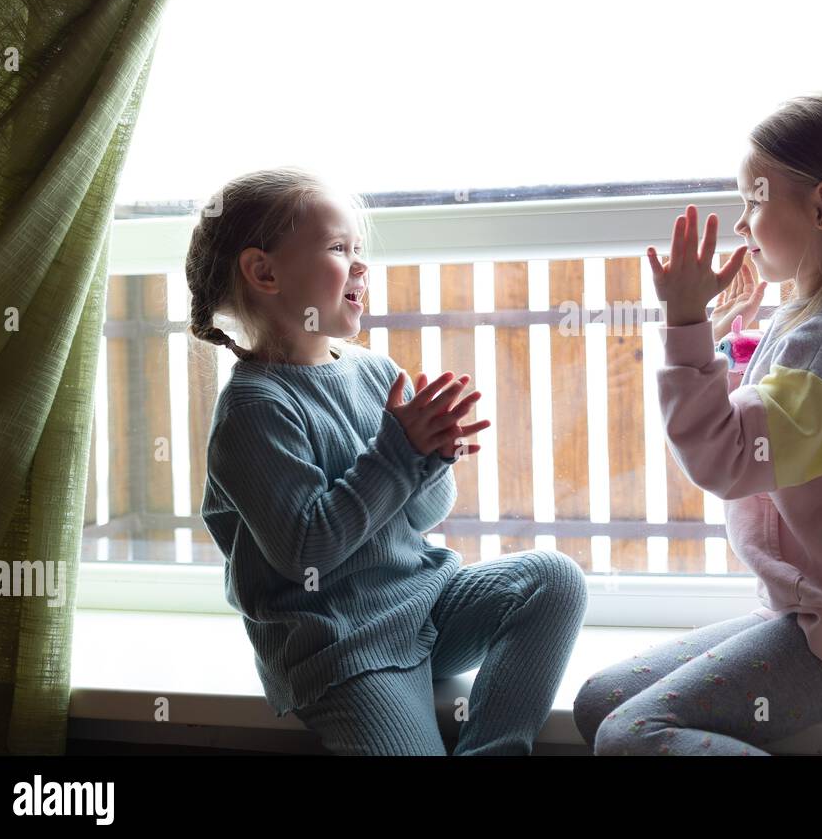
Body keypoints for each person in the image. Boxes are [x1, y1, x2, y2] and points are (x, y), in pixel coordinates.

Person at [573, 92, 822, 755]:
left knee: (629, 733)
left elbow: (725, 460)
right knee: (597, 705)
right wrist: (724, 339)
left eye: (754, 199)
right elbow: (779, 427)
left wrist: (685, 327)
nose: (742, 224)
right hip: (819, 613)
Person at [188, 166, 587, 754]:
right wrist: (398, 456)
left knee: (553, 580)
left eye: (359, 250)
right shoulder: (253, 409)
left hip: (424, 603)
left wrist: (432, 457)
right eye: (337, 248)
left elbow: (423, 513)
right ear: (264, 272)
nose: (360, 265)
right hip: (344, 646)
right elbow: (307, 552)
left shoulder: (375, 373)